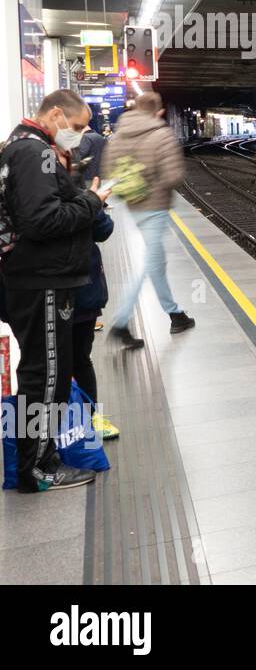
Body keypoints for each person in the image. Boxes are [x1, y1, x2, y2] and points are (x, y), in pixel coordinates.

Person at [0, 89, 111, 491]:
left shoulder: (25, 148)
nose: (80, 136)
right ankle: (37, 468)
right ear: (56, 115)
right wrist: (93, 202)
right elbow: (41, 222)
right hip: (41, 280)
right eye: (77, 126)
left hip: (42, 279)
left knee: (48, 374)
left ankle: (43, 457)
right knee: (44, 377)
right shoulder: (34, 154)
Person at [104, 92, 194, 348]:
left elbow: (109, 172)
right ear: (159, 111)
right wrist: (153, 183)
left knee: (156, 262)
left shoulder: (118, 135)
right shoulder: (161, 134)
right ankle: (121, 322)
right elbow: (173, 176)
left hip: (133, 206)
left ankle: (175, 313)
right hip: (154, 206)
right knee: (147, 265)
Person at [70, 133, 120, 440]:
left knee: (74, 359)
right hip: (63, 290)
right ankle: (77, 425)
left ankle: (83, 422)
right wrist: (92, 202)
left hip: (81, 291)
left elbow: (103, 229)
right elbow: (102, 228)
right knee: (65, 362)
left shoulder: (73, 187)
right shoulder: (67, 188)